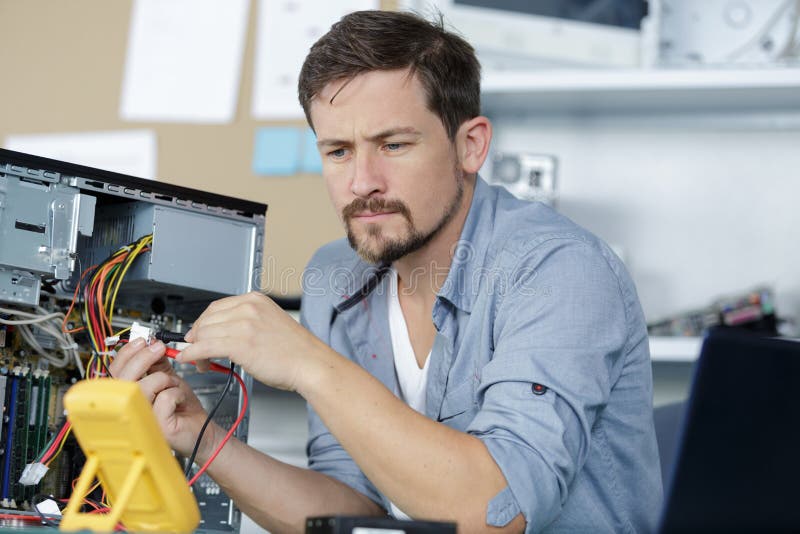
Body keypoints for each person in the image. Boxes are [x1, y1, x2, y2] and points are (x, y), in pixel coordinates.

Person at [111, 9, 662, 533]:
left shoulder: (560, 270)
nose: (361, 182)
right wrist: (203, 440)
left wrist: (310, 364)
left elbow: (496, 512)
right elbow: (352, 511)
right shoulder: (336, 276)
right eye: (338, 152)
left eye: (393, 145)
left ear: (471, 146)